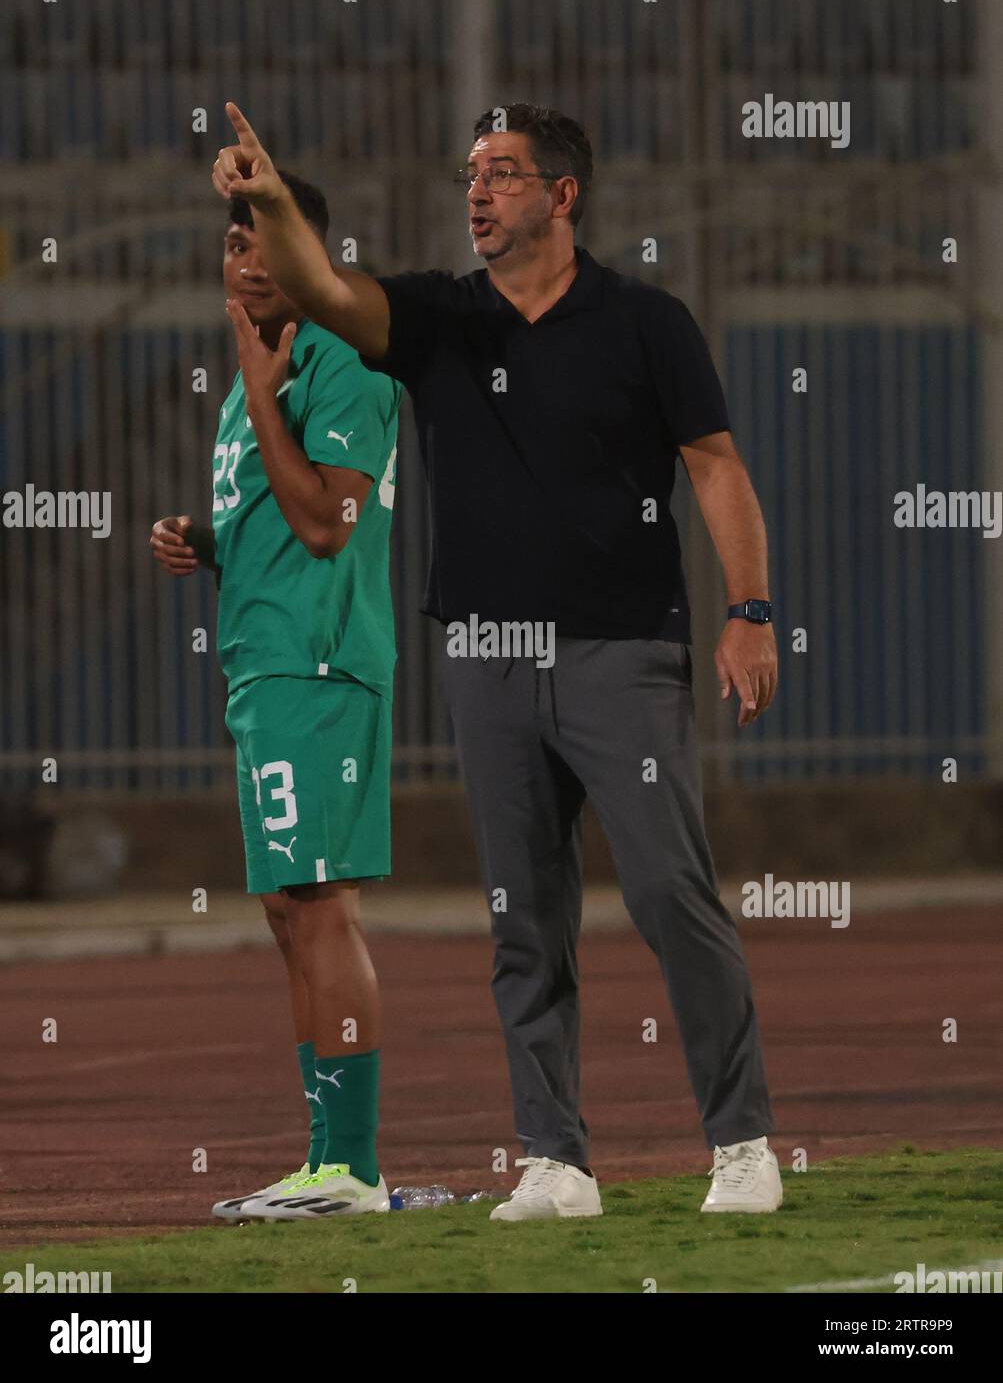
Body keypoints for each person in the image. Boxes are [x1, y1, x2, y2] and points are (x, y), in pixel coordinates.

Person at [211, 101, 782, 1220]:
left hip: (624, 651)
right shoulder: (438, 319)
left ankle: (742, 1140)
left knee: (671, 893)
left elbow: (714, 466)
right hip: (485, 658)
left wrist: (750, 607)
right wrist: (272, 204)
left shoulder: (646, 320)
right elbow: (326, 293)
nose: (479, 191)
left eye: (505, 173)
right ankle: (553, 1157)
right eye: (472, 171)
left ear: (563, 196)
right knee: (525, 917)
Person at [150, 170, 402, 1220]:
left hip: (316, 663)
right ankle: (326, 1163)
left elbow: (326, 526)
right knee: (289, 913)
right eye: (232, 242)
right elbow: (276, 520)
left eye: (267, 242)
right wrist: (209, 543)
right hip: (265, 663)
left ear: (309, 254)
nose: (246, 260)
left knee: (320, 908)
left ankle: (349, 1169)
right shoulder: (260, 371)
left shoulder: (339, 359)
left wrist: (260, 388)